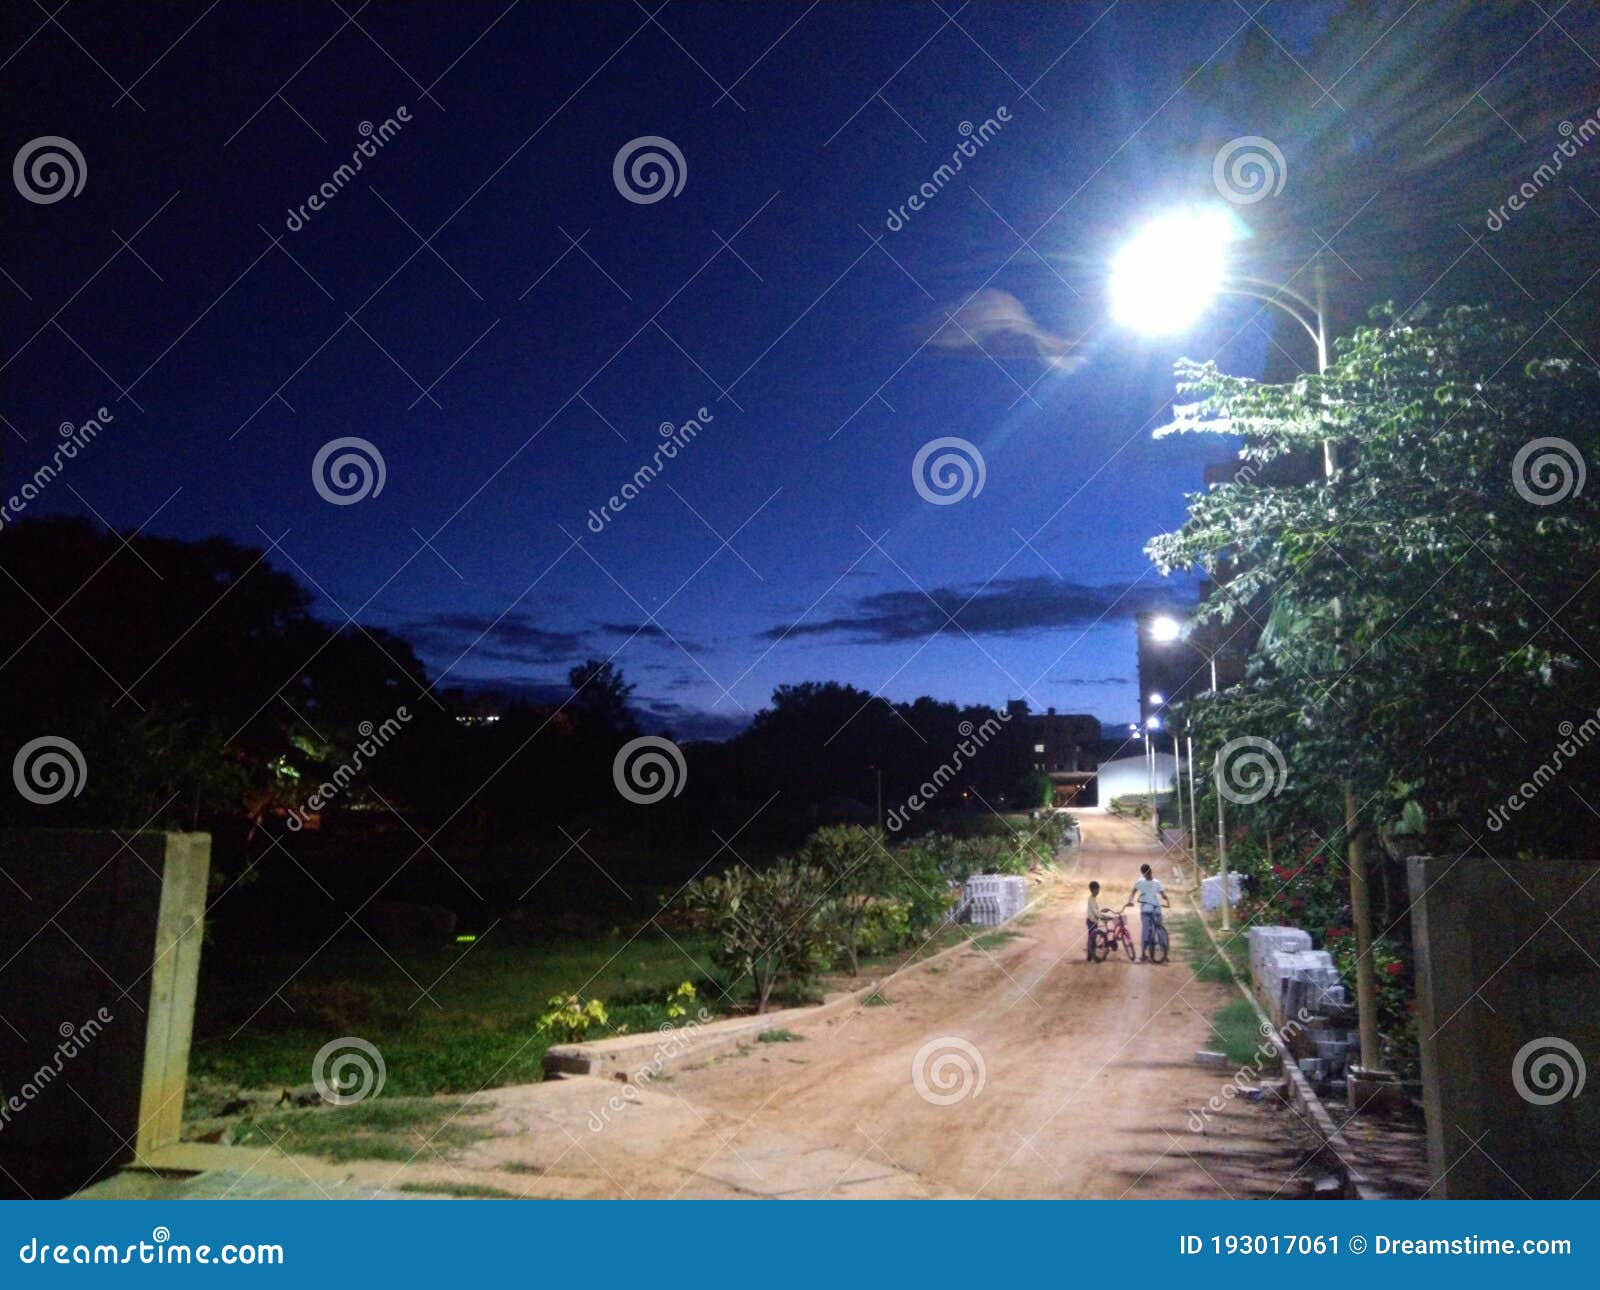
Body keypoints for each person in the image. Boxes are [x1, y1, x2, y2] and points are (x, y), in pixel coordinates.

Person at [1124, 863, 1170, 962]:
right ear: (1150, 871)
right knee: (1159, 929)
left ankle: (1143, 954)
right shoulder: (1157, 882)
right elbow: (1163, 895)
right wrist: (1166, 898)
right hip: (1156, 909)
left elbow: (1133, 892)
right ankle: (1164, 953)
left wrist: (1130, 901)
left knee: (1145, 931)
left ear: (1142, 873)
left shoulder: (1140, 882)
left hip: (1146, 910)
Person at [1085, 881, 1102, 961]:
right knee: (1092, 938)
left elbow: (1096, 910)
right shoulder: (1091, 899)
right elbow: (1094, 911)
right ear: (1092, 890)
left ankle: (1090, 955)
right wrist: (1101, 915)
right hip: (1091, 921)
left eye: (1098, 890)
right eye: (1096, 890)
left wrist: (1101, 912)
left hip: (1094, 921)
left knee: (1092, 938)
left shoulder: (1094, 899)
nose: (1098, 891)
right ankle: (1093, 955)